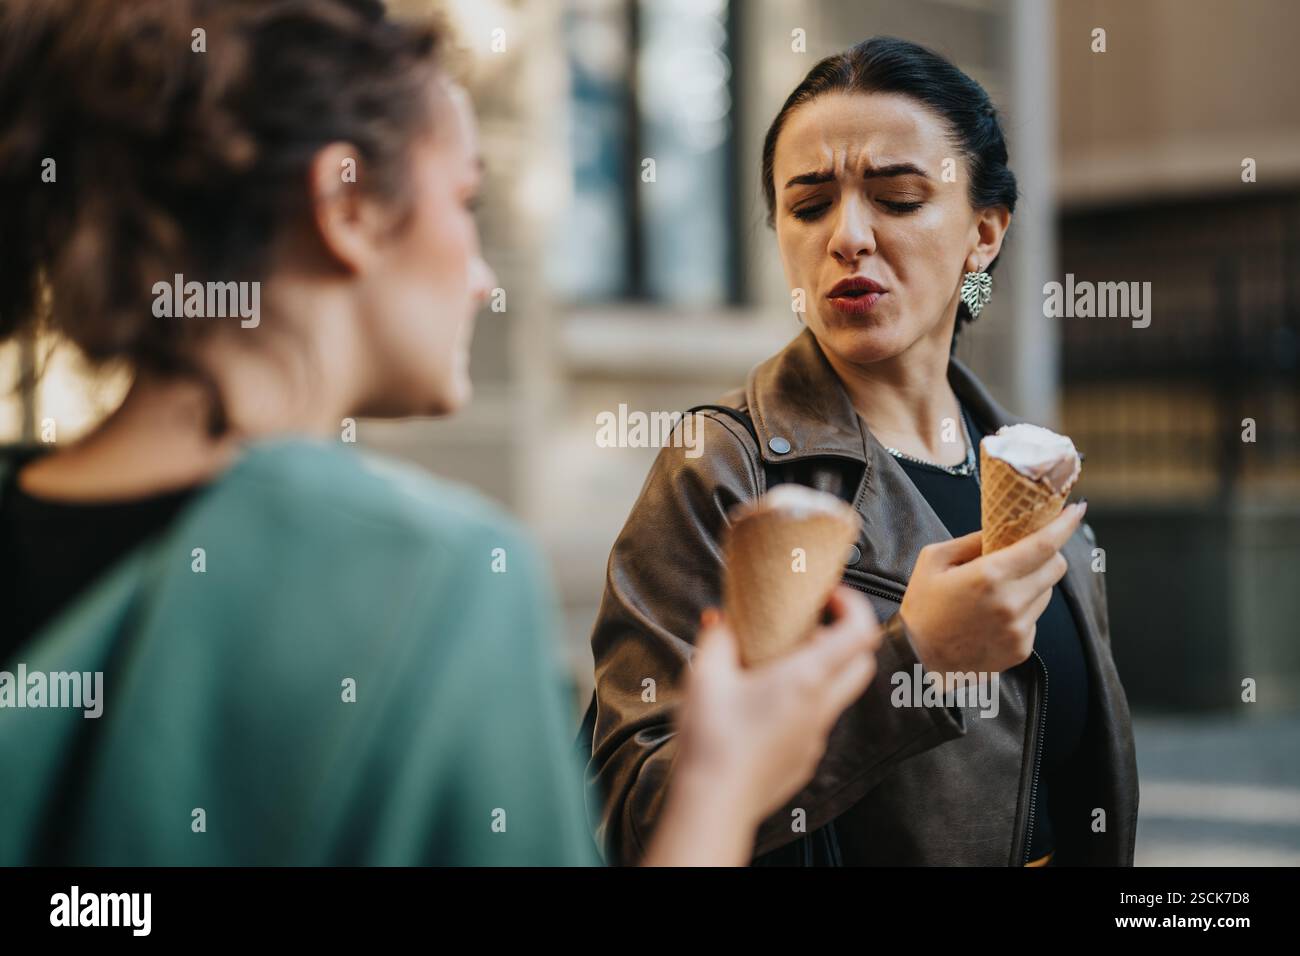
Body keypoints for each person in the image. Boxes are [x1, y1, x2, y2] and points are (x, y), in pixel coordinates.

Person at [0, 0, 882, 866]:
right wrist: (722, 790)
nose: (480, 274)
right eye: (463, 200)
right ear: (346, 206)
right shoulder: (435, 582)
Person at [586, 37, 1139, 866]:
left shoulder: (1026, 470)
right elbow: (639, 820)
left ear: (984, 234)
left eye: (900, 198)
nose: (847, 236)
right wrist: (914, 663)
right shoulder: (723, 469)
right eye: (809, 207)